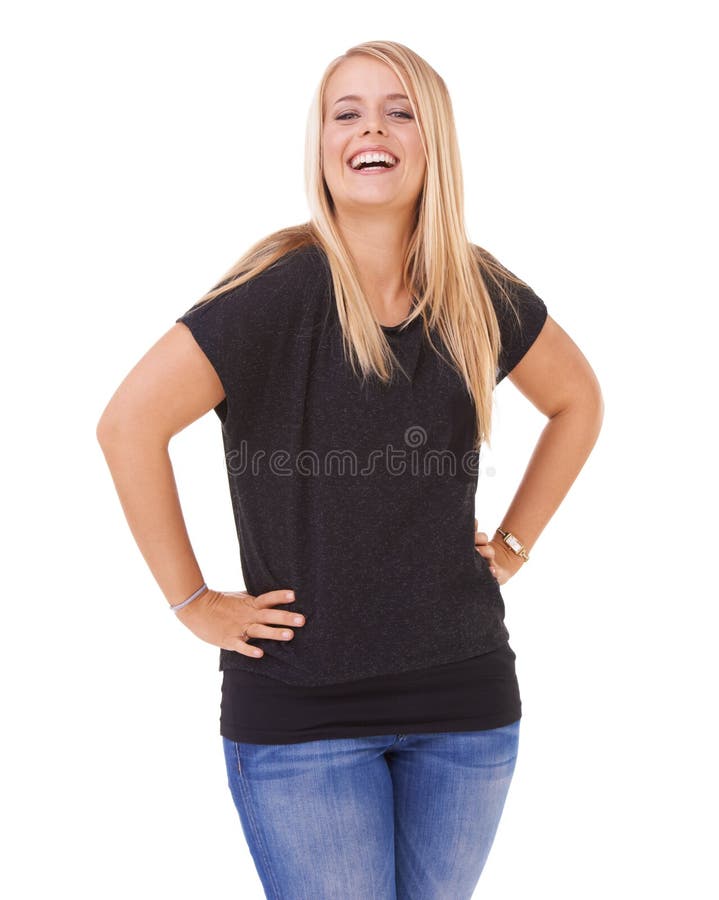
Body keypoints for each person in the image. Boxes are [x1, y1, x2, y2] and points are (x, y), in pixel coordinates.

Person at [97, 39, 603, 900]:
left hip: (465, 702)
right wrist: (192, 602)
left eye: (399, 111)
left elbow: (577, 401)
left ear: (433, 140)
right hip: (302, 712)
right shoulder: (276, 289)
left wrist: (514, 544)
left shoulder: (474, 291)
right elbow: (127, 425)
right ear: (323, 144)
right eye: (348, 113)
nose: (372, 129)